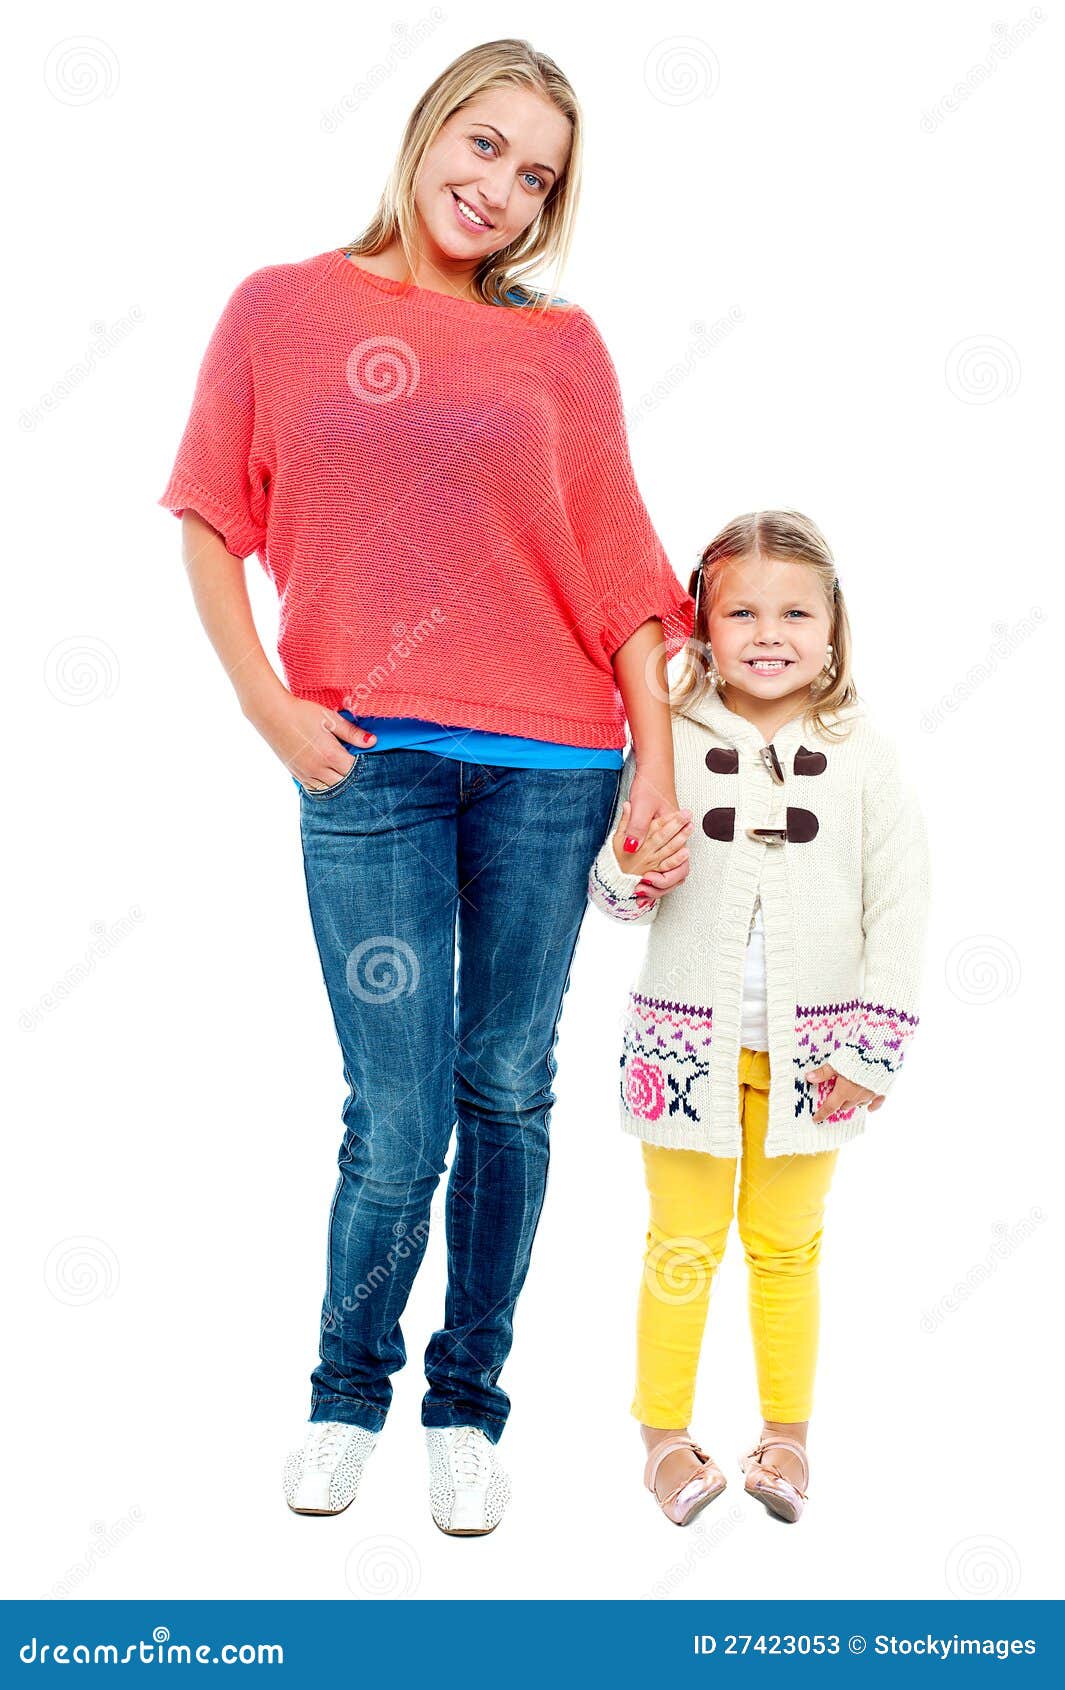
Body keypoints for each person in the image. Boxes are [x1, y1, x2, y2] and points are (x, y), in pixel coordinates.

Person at [156, 38, 694, 1535]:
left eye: (535, 177)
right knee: (396, 1116)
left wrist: (653, 761)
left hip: (554, 767)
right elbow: (209, 510)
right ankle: (345, 1392)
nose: (498, 189)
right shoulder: (282, 308)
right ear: (420, 133)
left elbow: (623, 565)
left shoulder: (556, 345)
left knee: (505, 1085)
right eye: (482, 145)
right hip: (367, 762)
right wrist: (269, 706)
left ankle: (466, 1401)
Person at [587, 509, 931, 1525]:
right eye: (740, 610)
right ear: (701, 623)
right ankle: (663, 1441)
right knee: (681, 1244)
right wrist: (632, 869)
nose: (767, 632)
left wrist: (874, 1050)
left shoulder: (861, 754)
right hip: (683, 1048)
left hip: (818, 1057)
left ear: (833, 628)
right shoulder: (673, 740)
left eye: (794, 610)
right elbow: (609, 894)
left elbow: (899, 903)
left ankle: (787, 1438)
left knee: (788, 1245)